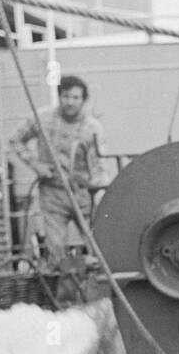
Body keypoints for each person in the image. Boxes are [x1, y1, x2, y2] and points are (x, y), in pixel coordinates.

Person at [8, 75, 108, 262]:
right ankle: (62, 288)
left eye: (76, 98)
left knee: (98, 246)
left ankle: (94, 288)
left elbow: (100, 166)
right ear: (59, 96)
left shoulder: (93, 128)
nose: (70, 102)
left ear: (83, 100)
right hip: (52, 194)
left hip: (84, 196)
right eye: (66, 96)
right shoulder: (42, 118)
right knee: (56, 252)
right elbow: (15, 139)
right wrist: (35, 164)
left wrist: (99, 192)